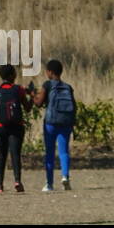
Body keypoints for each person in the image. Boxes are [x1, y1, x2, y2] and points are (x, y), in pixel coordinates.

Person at [0, 63, 31, 193]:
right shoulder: (19, 89)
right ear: (12, 76)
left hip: (0, 127)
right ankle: (17, 181)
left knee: (1, 155)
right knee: (15, 154)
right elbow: (27, 108)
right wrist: (31, 96)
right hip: (16, 127)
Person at [32, 58, 76, 191]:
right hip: (65, 123)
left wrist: (33, 95)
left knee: (50, 152)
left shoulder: (48, 85)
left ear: (50, 72)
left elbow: (39, 103)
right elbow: (74, 106)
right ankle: (65, 176)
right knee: (64, 151)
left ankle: (49, 184)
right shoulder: (68, 87)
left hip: (50, 123)